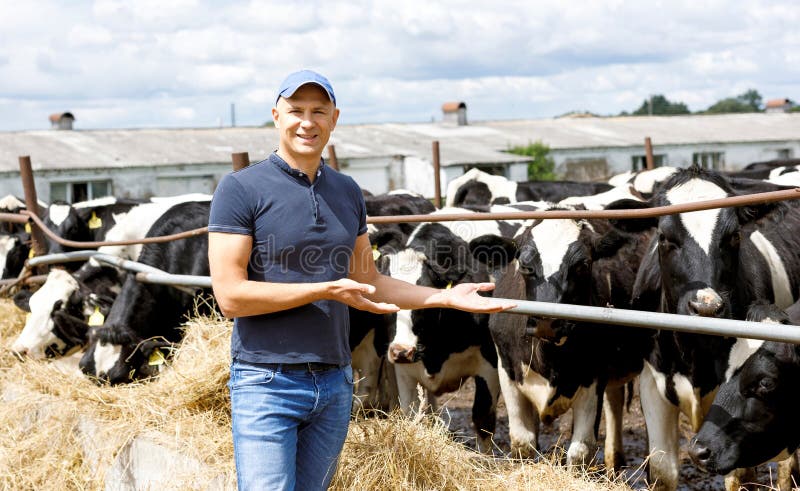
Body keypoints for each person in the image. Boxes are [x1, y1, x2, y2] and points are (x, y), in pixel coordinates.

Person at [207, 69, 515, 491]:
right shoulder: (241, 189)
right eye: (296, 110)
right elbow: (230, 297)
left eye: (319, 111)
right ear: (276, 116)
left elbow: (369, 281)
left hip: (334, 382)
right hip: (267, 381)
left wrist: (445, 297)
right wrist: (323, 289)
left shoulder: (347, 191)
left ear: (334, 119)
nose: (307, 122)